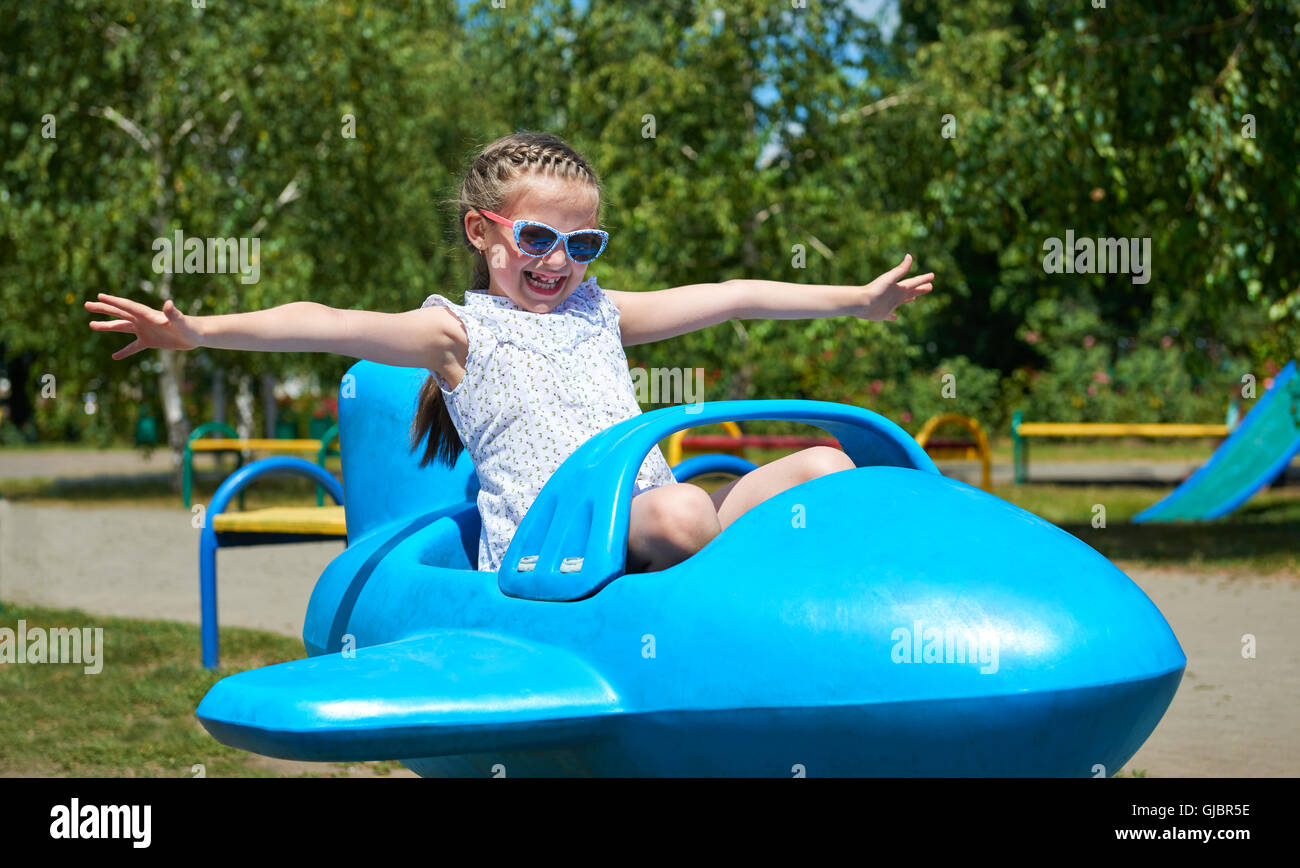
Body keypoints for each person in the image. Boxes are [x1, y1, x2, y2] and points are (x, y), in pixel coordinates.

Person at [86, 131, 933, 574]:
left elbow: (734, 296)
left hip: (648, 516)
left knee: (824, 462)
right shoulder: (457, 333)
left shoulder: (600, 311)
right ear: (481, 234)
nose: (558, 262)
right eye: (536, 237)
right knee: (683, 515)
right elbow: (323, 320)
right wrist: (199, 332)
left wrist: (857, 302)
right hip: (550, 542)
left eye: (583, 243)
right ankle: (747, 588)